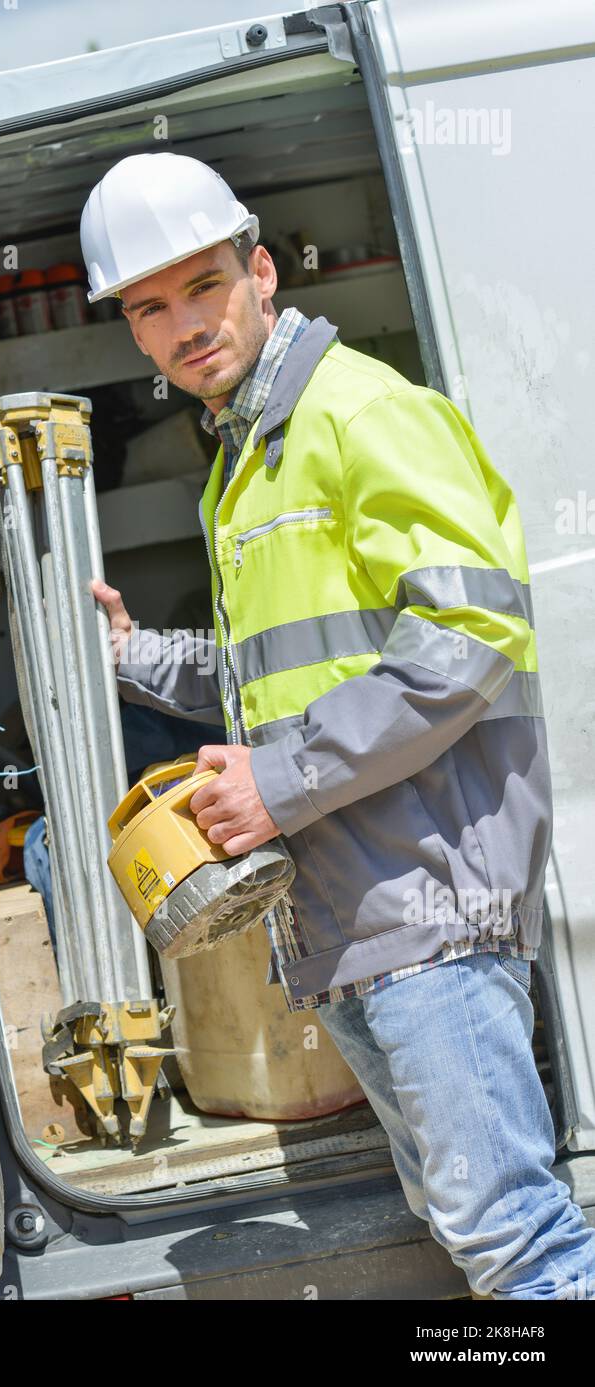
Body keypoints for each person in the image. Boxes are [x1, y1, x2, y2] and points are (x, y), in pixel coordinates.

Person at [81, 151, 595, 1299]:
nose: (184, 324)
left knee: (518, 1240)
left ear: (260, 272)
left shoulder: (360, 412)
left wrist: (284, 781)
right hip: (353, 919)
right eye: (149, 306)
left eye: (203, 285)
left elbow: (470, 629)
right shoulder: (247, 467)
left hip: (428, 902)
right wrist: (135, 658)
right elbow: (278, 676)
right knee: (468, 1225)